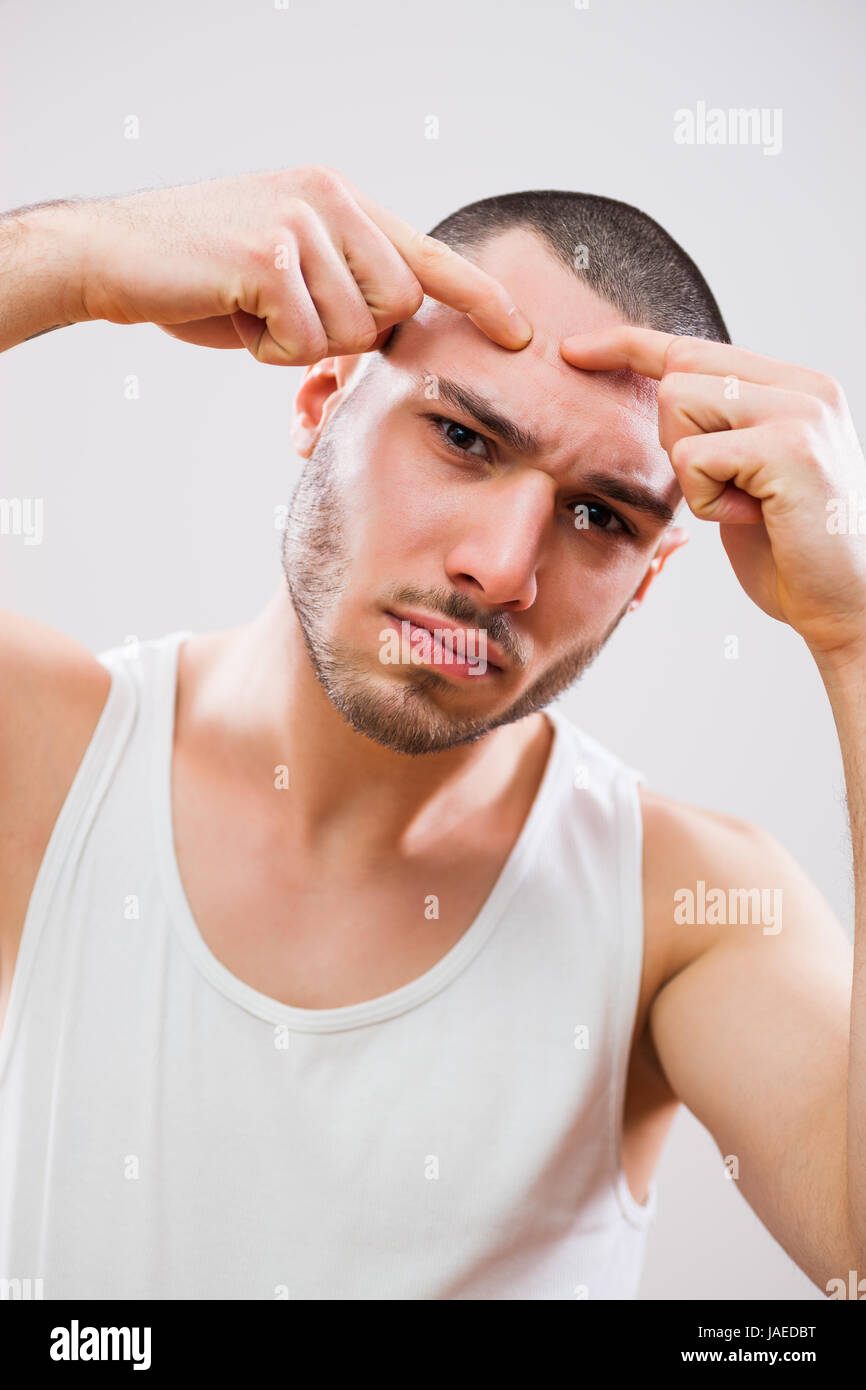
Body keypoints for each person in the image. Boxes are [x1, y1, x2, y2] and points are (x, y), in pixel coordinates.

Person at [0, 165, 863, 1300]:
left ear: (647, 580)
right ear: (320, 402)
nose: (500, 569)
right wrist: (69, 259)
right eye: (461, 438)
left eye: (597, 516)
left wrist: (852, 637)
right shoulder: (41, 751)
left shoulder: (680, 911)